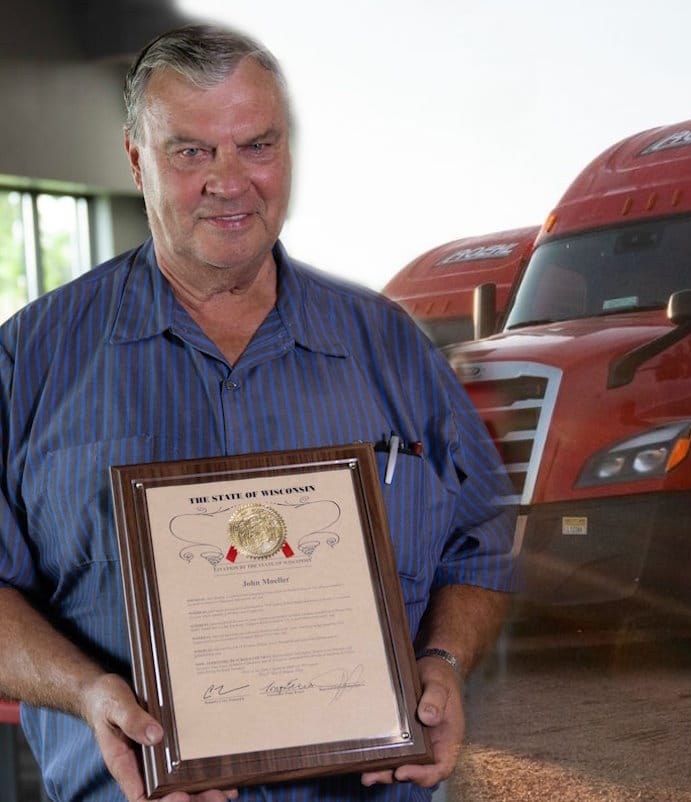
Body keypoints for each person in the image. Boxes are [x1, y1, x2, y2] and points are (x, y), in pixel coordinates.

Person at [0, 22, 517, 802]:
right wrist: (86, 691)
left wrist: (444, 660)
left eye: (257, 145)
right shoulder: (27, 360)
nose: (229, 180)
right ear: (137, 159)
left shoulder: (389, 344)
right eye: (192, 151)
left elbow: (483, 541)